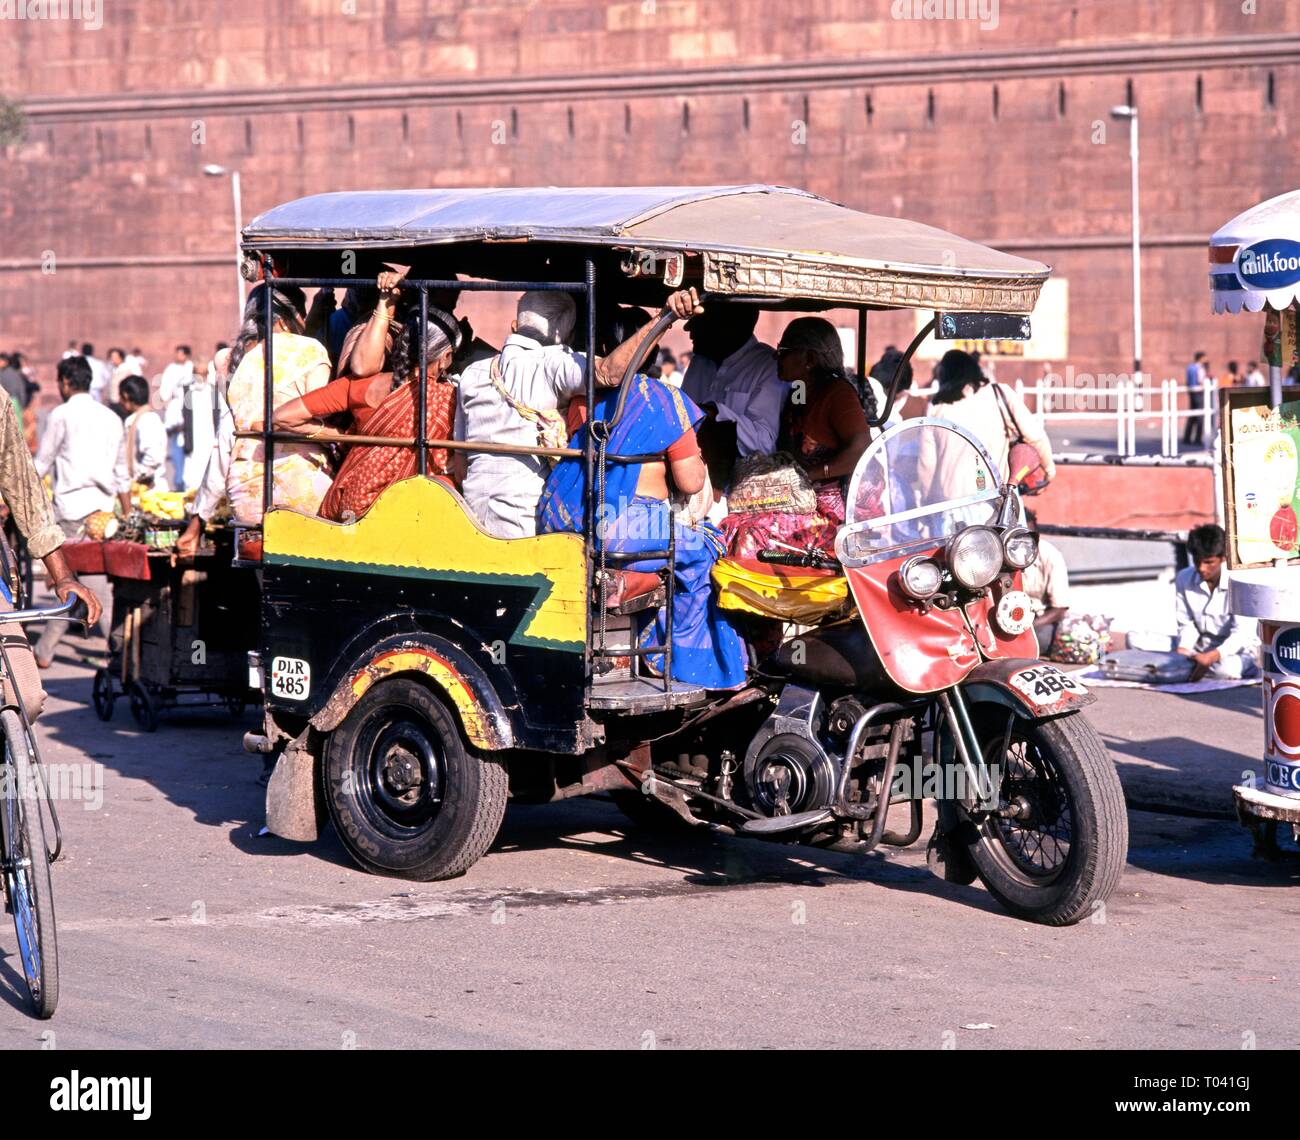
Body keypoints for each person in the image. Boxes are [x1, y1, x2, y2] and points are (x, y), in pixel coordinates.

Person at [538, 296, 747, 690]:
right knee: (706, 554)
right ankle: (674, 659)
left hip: (577, 520)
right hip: (633, 527)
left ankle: (650, 643)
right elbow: (690, 483)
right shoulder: (665, 400)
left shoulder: (584, 399)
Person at [455, 289, 671, 539]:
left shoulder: (472, 372)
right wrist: (664, 319)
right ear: (566, 336)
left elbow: (461, 466)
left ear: (515, 324)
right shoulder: (555, 363)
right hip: (527, 521)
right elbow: (609, 374)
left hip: (470, 516)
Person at [270, 309, 462, 523]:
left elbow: (283, 416)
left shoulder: (358, 385)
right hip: (403, 513)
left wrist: (338, 435)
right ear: (445, 357)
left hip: (348, 502)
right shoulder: (451, 400)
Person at [32, 356, 121, 669]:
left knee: (87, 583)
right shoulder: (111, 417)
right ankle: (45, 648)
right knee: (79, 579)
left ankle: (119, 651)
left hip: (71, 509)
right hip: (104, 512)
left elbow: (42, 463)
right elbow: (121, 469)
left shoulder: (62, 415)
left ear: (66, 383)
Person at [224, 285, 335, 525]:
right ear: (293, 317)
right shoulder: (311, 350)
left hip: (243, 487)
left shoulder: (243, 358)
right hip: (299, 483)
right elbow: (321, 411)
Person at [917, 349, 1055, 499]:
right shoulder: (999, 394)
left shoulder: (935, 407)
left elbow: (927, 466)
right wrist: (1049, 472)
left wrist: (929, 502)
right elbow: (1035, 436)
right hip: (995, 500)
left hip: (951, 505)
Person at [681, 304, 786, 489]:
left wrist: (715, 414)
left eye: (701, 322)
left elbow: (765, 443)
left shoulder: (767, 366)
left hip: (741, 490)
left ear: (729, 327)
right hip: (689, 477)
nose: (688, 329)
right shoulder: (700, 361)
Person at [1174, 523, 1259, 680]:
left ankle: (1191, 667)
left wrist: (1211, 657)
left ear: (1223, 558)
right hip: (1198, 647)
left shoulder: (1241, 581)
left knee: (1226, 670)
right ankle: (1192, 665)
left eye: (1208, 562)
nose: (1201, 568)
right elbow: (1186, 623)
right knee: (1136, 639)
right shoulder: (1184, 577)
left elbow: (1242, 634)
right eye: (1197, 561)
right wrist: (1184, 649)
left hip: (1234, 651)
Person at [1021, 508, 1070, 656]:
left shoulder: (1051, 555)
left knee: (1037, 641)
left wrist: (1029, 627)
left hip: (1038, 620)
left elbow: (1059, 609)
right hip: (1007, 617)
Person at [114, 374, 169, 503]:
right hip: (141, 492)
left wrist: (135, 480)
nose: (119, 402)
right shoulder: (137, 419)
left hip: (150, 493)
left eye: (120, 397)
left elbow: (153, 458)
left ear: (126, 396)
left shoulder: (147, 420)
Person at [159, 345, 194, 490]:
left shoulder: (192, 368)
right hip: (176, 413)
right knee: (176, 447)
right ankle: (179, 482)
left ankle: (190, 484)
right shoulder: (171, 369)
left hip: (192, 413)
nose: (178, 356)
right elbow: (164, 393)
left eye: (181, 353)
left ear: (186, 355)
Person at [1183, 350, 1207, 447]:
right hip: (1199, 393)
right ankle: (1198, 438)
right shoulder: (1200, 368)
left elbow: (1188, 381)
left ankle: (1187, 437)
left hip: (1192, 393)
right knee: (1200, 416)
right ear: (1201, 358)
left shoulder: (1189, 368)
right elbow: (1201, 381)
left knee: (1191, 416)